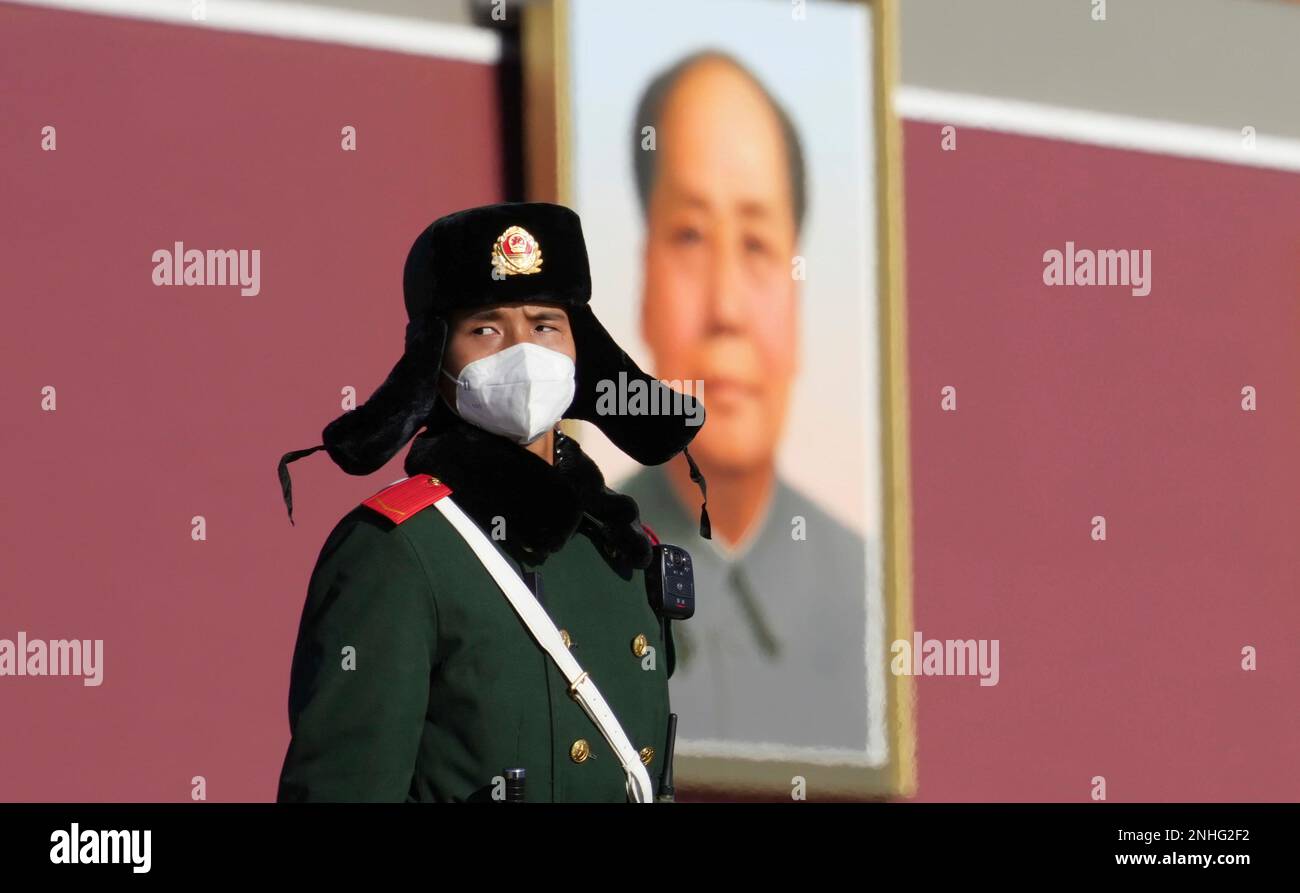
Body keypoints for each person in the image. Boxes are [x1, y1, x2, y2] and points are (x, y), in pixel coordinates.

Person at [274, 202, 708, 802]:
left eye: (545, 324)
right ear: (435, 359)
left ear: (582, 349)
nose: (522, 351)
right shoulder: (396, 552)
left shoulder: (616, 543)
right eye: (485, 329)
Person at [619, 51, 870, 751]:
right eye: (690, 236)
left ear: (798, 299)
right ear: (644, 285)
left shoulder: (871, 601)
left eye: (759, 245)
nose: (725, 305)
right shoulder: (579, 561)